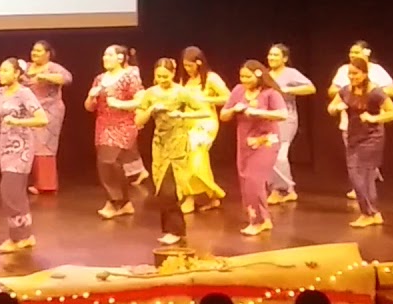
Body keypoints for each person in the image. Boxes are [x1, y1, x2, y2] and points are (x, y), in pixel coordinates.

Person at [0, 58, 47, 253]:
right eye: (0, 70)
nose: (1, 74)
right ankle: (25, 236)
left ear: (16, 74)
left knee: (10, 191)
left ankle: (17, 237)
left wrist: (18, 122)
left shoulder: (24, 93)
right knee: (15, 193)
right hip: (5, 147)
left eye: (6, 71)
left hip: (22, 147)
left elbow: (42, 119)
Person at [135, 58, 208, 246]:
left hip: (177, 142)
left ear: (173, 74)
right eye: (158, 76)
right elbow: (138, 121)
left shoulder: (181, 92)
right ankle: (171, 229)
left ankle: (175, 230)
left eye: (165, 76)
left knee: (170, 189)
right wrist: (151, 109)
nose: (161, 79)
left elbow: (204, 111)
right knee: (161, 189)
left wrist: (182, 114)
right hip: (159, 144)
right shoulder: (150, 93)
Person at [328, 58, 393, 228]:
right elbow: (331, 107)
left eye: (355, 73)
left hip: (372, 137)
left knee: (363, 175)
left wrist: (374, 117)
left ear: (364, 74)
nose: (352, 77)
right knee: (357, 176)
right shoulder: (346, 91)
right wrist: (335, 109)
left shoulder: (375, 92)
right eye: (349, 74)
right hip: (354, 136)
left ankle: (368, 213)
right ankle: (373, 213)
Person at [220, 61, 288, 236]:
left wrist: (258, 113)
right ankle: (263, 219)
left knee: (254, 179)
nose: (244, 80)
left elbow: (282, 114)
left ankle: (257, 221)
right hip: (244, 142)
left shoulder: (270, 93)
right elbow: (224, 115)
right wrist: (235, 109)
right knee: (245, 181)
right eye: (242, 76)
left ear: (258, 75)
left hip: (266, 141)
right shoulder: (238, 91)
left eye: (248, 77)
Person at [85, 45, 145, 219]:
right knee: (108, 164)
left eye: (109, 55)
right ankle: (123, 202)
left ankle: (115, 201)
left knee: (109, 160)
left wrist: (120, 104)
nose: (105, 58)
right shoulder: (99, 79)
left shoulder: (129, 76)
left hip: (124, 124)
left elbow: (140, 100)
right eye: (104, 55)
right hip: (103, 125)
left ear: (120, 58)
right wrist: (91, 96)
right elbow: (89, 107)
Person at [19, 40, 72, 194]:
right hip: (31, 111)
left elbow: (67, 78)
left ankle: (47, 185)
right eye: (33, 50)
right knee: (31, 145)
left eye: (39, 51)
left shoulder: (53, 68)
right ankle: (36, 181)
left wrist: (46, 77)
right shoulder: (27, 67)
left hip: (50, 110)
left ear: (48, 54)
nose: (34, 53)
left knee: (45, 146)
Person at [265, 44, 316, 204]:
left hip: (286, 118)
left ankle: (280, 190)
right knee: (269, 154)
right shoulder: (266, 74)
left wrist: (288, 90)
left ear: (285, 58)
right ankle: (286, 189)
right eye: (270, 55)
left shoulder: (291, 73)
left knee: (280, 153)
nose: (271, 58)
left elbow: (311, 88)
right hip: (268, 119)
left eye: (276, 55)